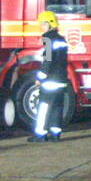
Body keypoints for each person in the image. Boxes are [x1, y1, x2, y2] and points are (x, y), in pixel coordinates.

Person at [29, 10, 69, 142]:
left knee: (44, 107)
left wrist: (41, 77)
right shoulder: (61, 39)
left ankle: (40, 134)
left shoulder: (47, 38)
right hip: (61, 79)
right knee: (58, 106)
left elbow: (48, 60)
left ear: (50, 24)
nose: (42, 26)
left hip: (50, 80)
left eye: (44, 24)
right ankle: (56, 134)